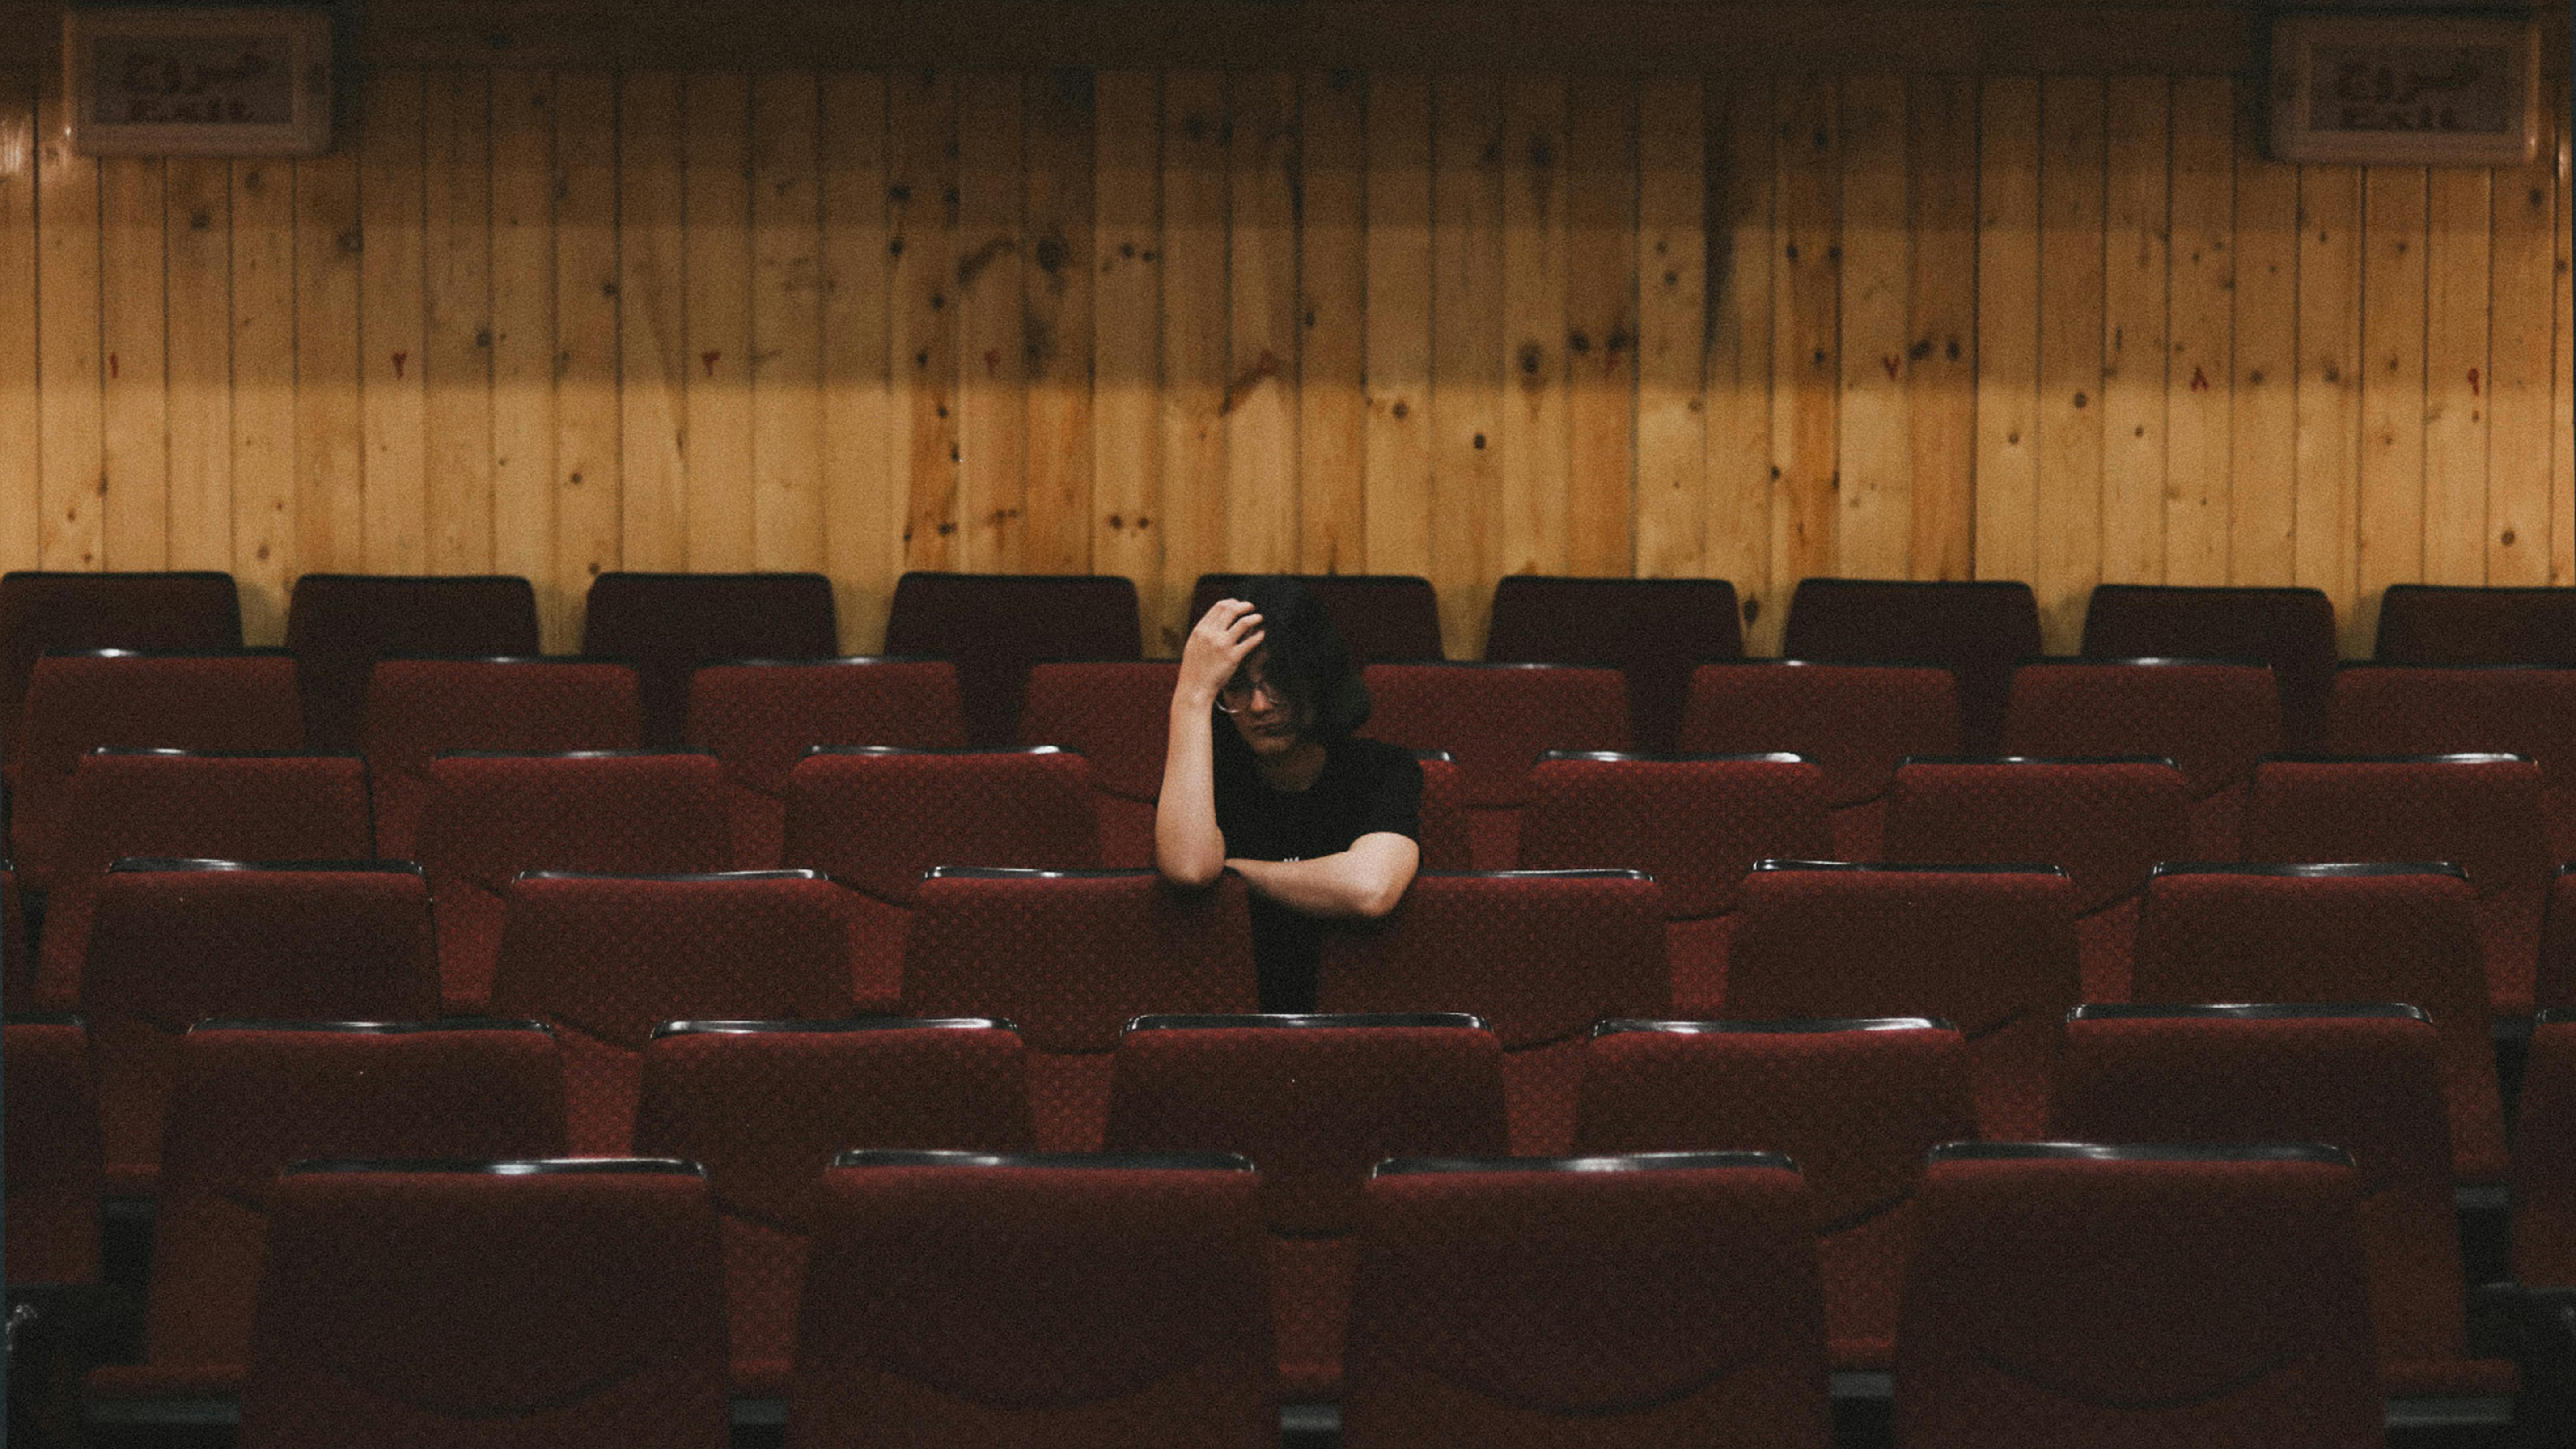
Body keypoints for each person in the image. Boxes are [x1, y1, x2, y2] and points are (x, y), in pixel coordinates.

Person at [1154, 578, 1423, 1013]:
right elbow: (1189, 869)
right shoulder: (1205, 778)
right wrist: (1193, 692)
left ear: (1318, 678)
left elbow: (1369, 889)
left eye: (1278, 679)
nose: (1260, 706)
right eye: (1238, 686)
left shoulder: (1381, 769)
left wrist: (1237, 873)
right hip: (1229, 1018)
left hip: (1354, 1019)